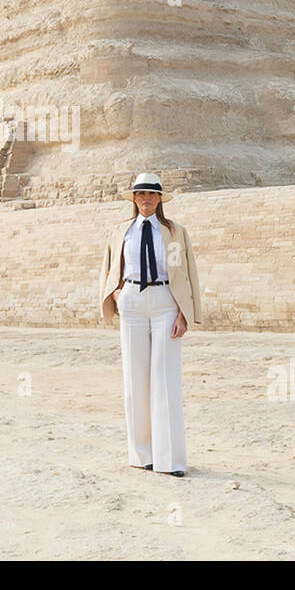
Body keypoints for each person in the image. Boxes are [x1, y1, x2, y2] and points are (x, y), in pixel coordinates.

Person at [97, 172, 202, 476]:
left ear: (159, 199)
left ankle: (171, 461)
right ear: (133, 198)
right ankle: (142, 454)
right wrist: (115, 293)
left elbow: (189, 272)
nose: (145, 199)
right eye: (140, 194)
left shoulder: (175, 231)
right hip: (131, 302)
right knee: (134, 379)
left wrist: (185, 313)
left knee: (165, 379)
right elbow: (108, 267)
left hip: (166, 302)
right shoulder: (120, 232)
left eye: (151, 194)